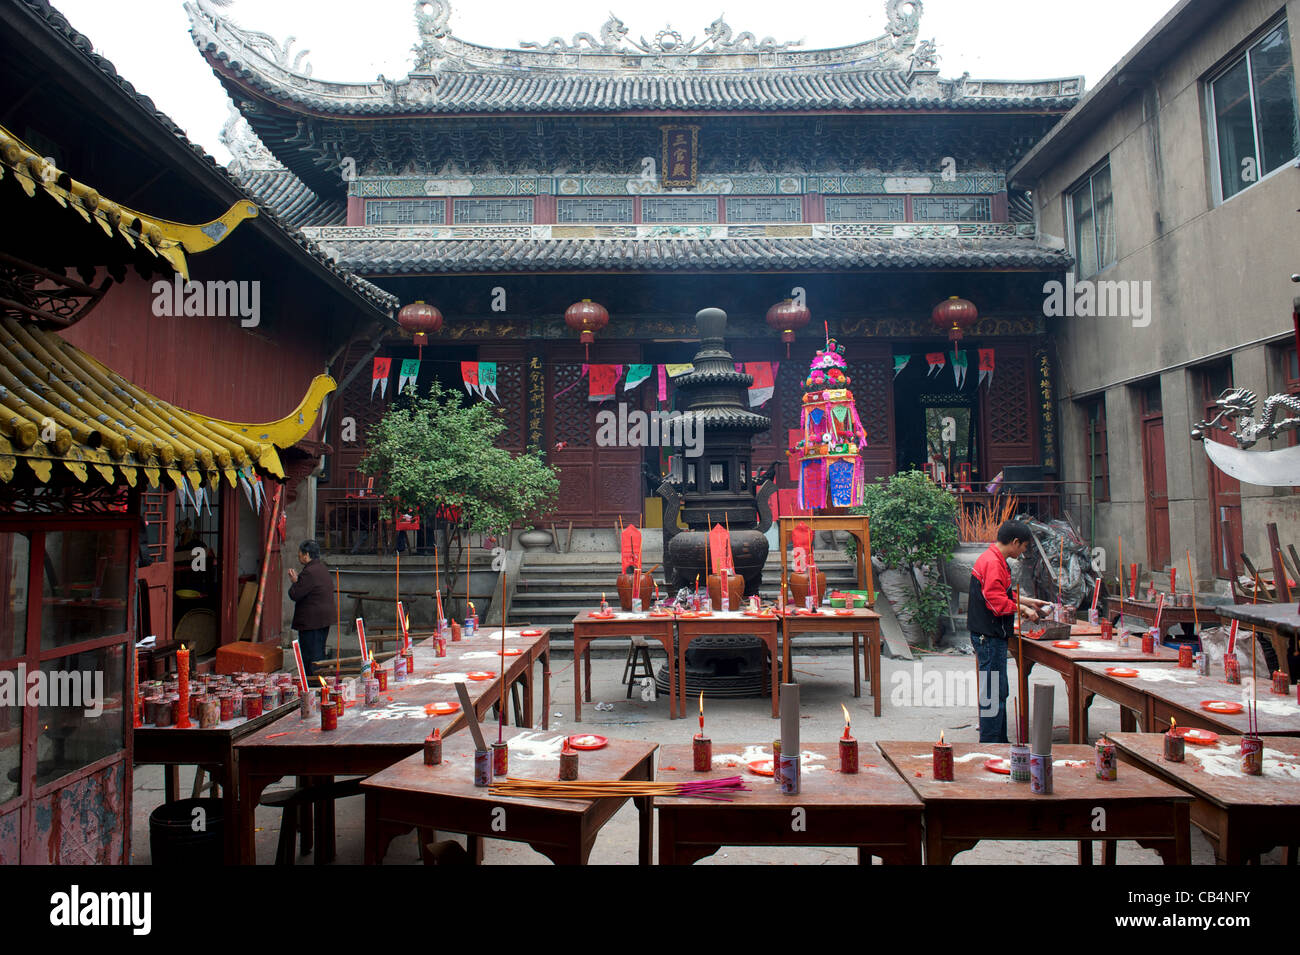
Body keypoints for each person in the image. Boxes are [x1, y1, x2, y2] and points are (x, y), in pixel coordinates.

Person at [968, 520, 1051, 743]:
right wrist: (1022, 610)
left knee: (997, 691)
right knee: (994, 692)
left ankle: (998, 741)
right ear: (1015, 542)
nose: (1023, 551)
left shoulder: (994, 558)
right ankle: (991, 743)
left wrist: (1028, 602)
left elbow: (1002, 594)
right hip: (989, 636)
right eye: (1023, 546)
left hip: (990, 635)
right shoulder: (993, 563)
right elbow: (996, 602)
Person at [287, 539, 332, 676]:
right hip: (323, 619)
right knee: (318, 652)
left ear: (306, 555)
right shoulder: (322, 569)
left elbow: (295, 594)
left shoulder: (309, 572)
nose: (299, 557)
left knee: (311, 656)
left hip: (312, 621)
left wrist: (295, 582)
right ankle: (318, 683)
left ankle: (313, 686)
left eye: (300, 554)